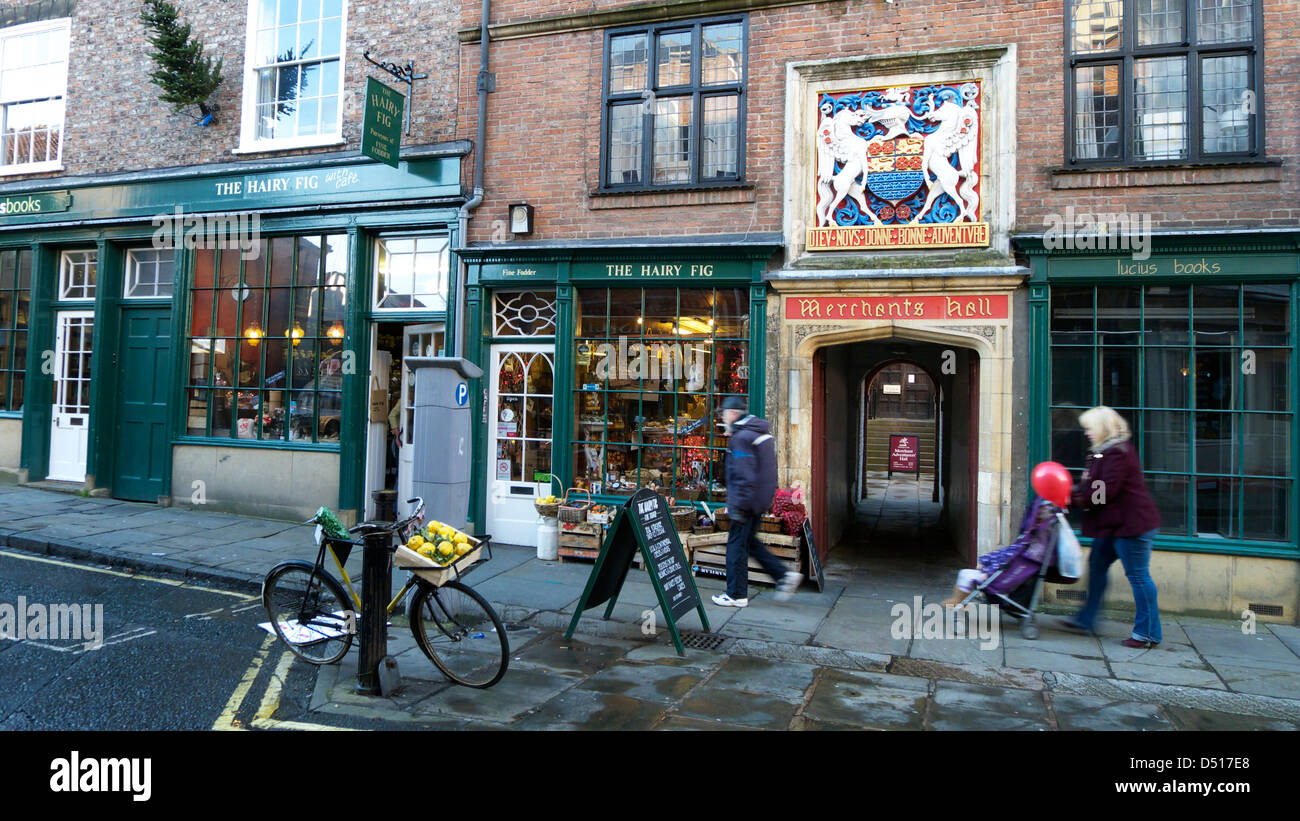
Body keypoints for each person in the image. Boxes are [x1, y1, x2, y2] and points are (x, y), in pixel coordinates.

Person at [1062, 406, 1163, 648]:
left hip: (1132, 526)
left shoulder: (1117, 453)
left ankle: (1148, 633)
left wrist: (1073, 498)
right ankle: (1086, 620)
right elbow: (1093, 486)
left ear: (1103, 428)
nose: (1086, 433)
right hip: (1114, 525)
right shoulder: (1103, 452)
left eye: (1089, 428)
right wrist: (1072, 492)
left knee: (1138, 576)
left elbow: (1104, 491)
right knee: (1097, 565)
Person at [711, 397, 803, 607]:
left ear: (733, 413)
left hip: (746, 502)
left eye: (724, 414)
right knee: (749, 543)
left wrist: (737, 505)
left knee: (735, 547)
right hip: (759, 500)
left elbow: (744, 475)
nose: (723, 418)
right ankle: (783, 575)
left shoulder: (742, 438)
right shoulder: (758, 432)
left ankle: (736, 595)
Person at [941, 495, 1057, 607]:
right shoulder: (1026, 544)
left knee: (964, 574)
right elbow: (1006, 556)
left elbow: (1008, 561)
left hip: (995, 577)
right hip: (998, 573)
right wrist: (986, 562)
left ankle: (959, 602)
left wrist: (988, 571)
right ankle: (959, 601)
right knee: (967, 574)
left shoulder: (1027, 547)